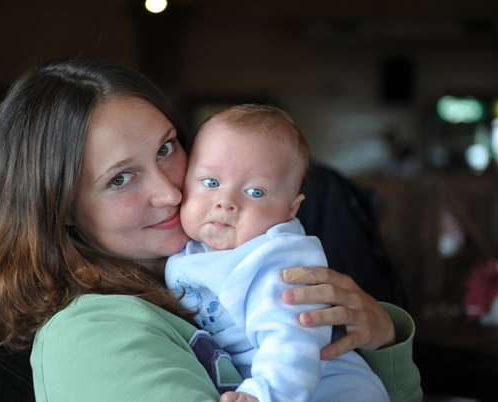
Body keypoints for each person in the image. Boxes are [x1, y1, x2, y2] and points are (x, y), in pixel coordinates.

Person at [0, 58, 420, 401]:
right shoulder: (92, 335)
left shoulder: (208, 267)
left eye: (166, 149)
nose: (170, 193)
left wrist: (381, 337)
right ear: (59, 207)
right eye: (120, 178)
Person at [165, 104, 388, 401]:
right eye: (211, 183)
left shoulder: (274, 262)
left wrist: (263, 394)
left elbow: (292, 338)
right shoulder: (193, 246)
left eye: (255, 192)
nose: (225, 202)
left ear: (290, 210)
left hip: (326, 387)